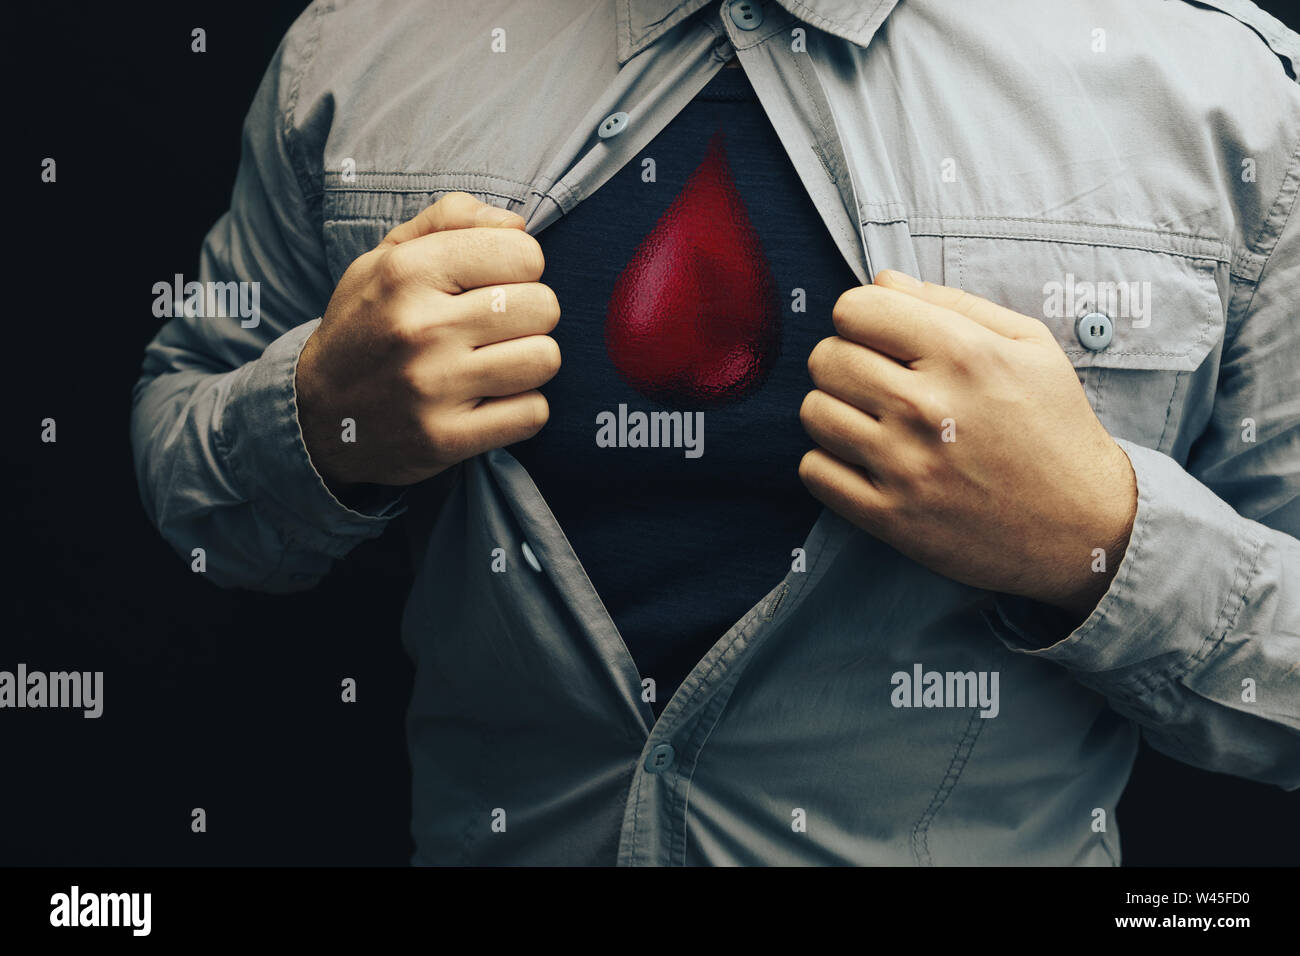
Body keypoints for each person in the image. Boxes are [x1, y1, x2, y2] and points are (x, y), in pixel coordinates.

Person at [131, 0, 1300, 865]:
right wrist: (323, 419)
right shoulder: (363, 49)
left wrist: (1097, 537)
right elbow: (187, 481)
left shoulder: (1211, 94)